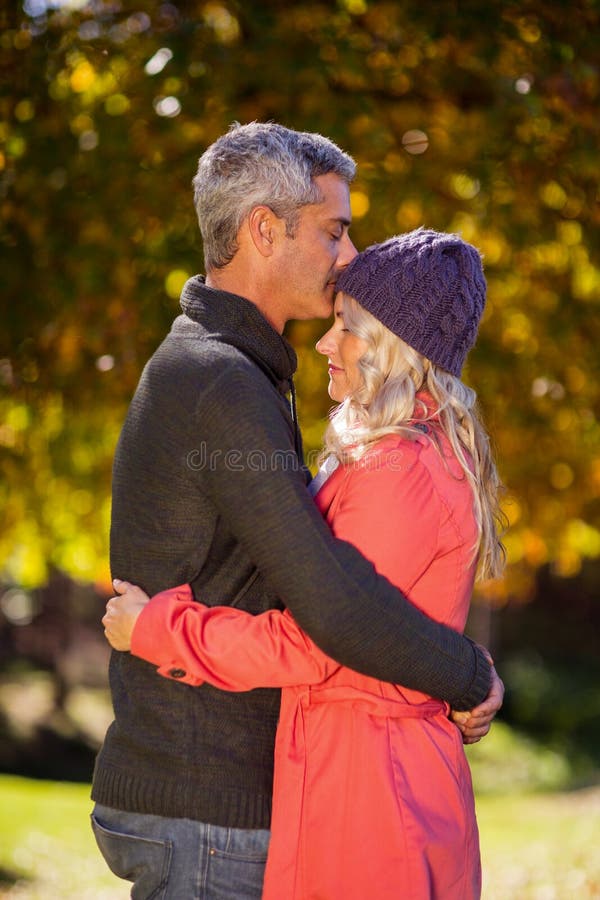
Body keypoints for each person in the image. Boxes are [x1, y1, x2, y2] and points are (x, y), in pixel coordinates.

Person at [93, 122, 503, 900]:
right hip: (204, 800)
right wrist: (470, 674)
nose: (348, 255)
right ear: (263, 228)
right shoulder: (222, 380)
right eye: (334, 230)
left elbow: (327, 603)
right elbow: (333, 607)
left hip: (269, 789)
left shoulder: (244, 373)